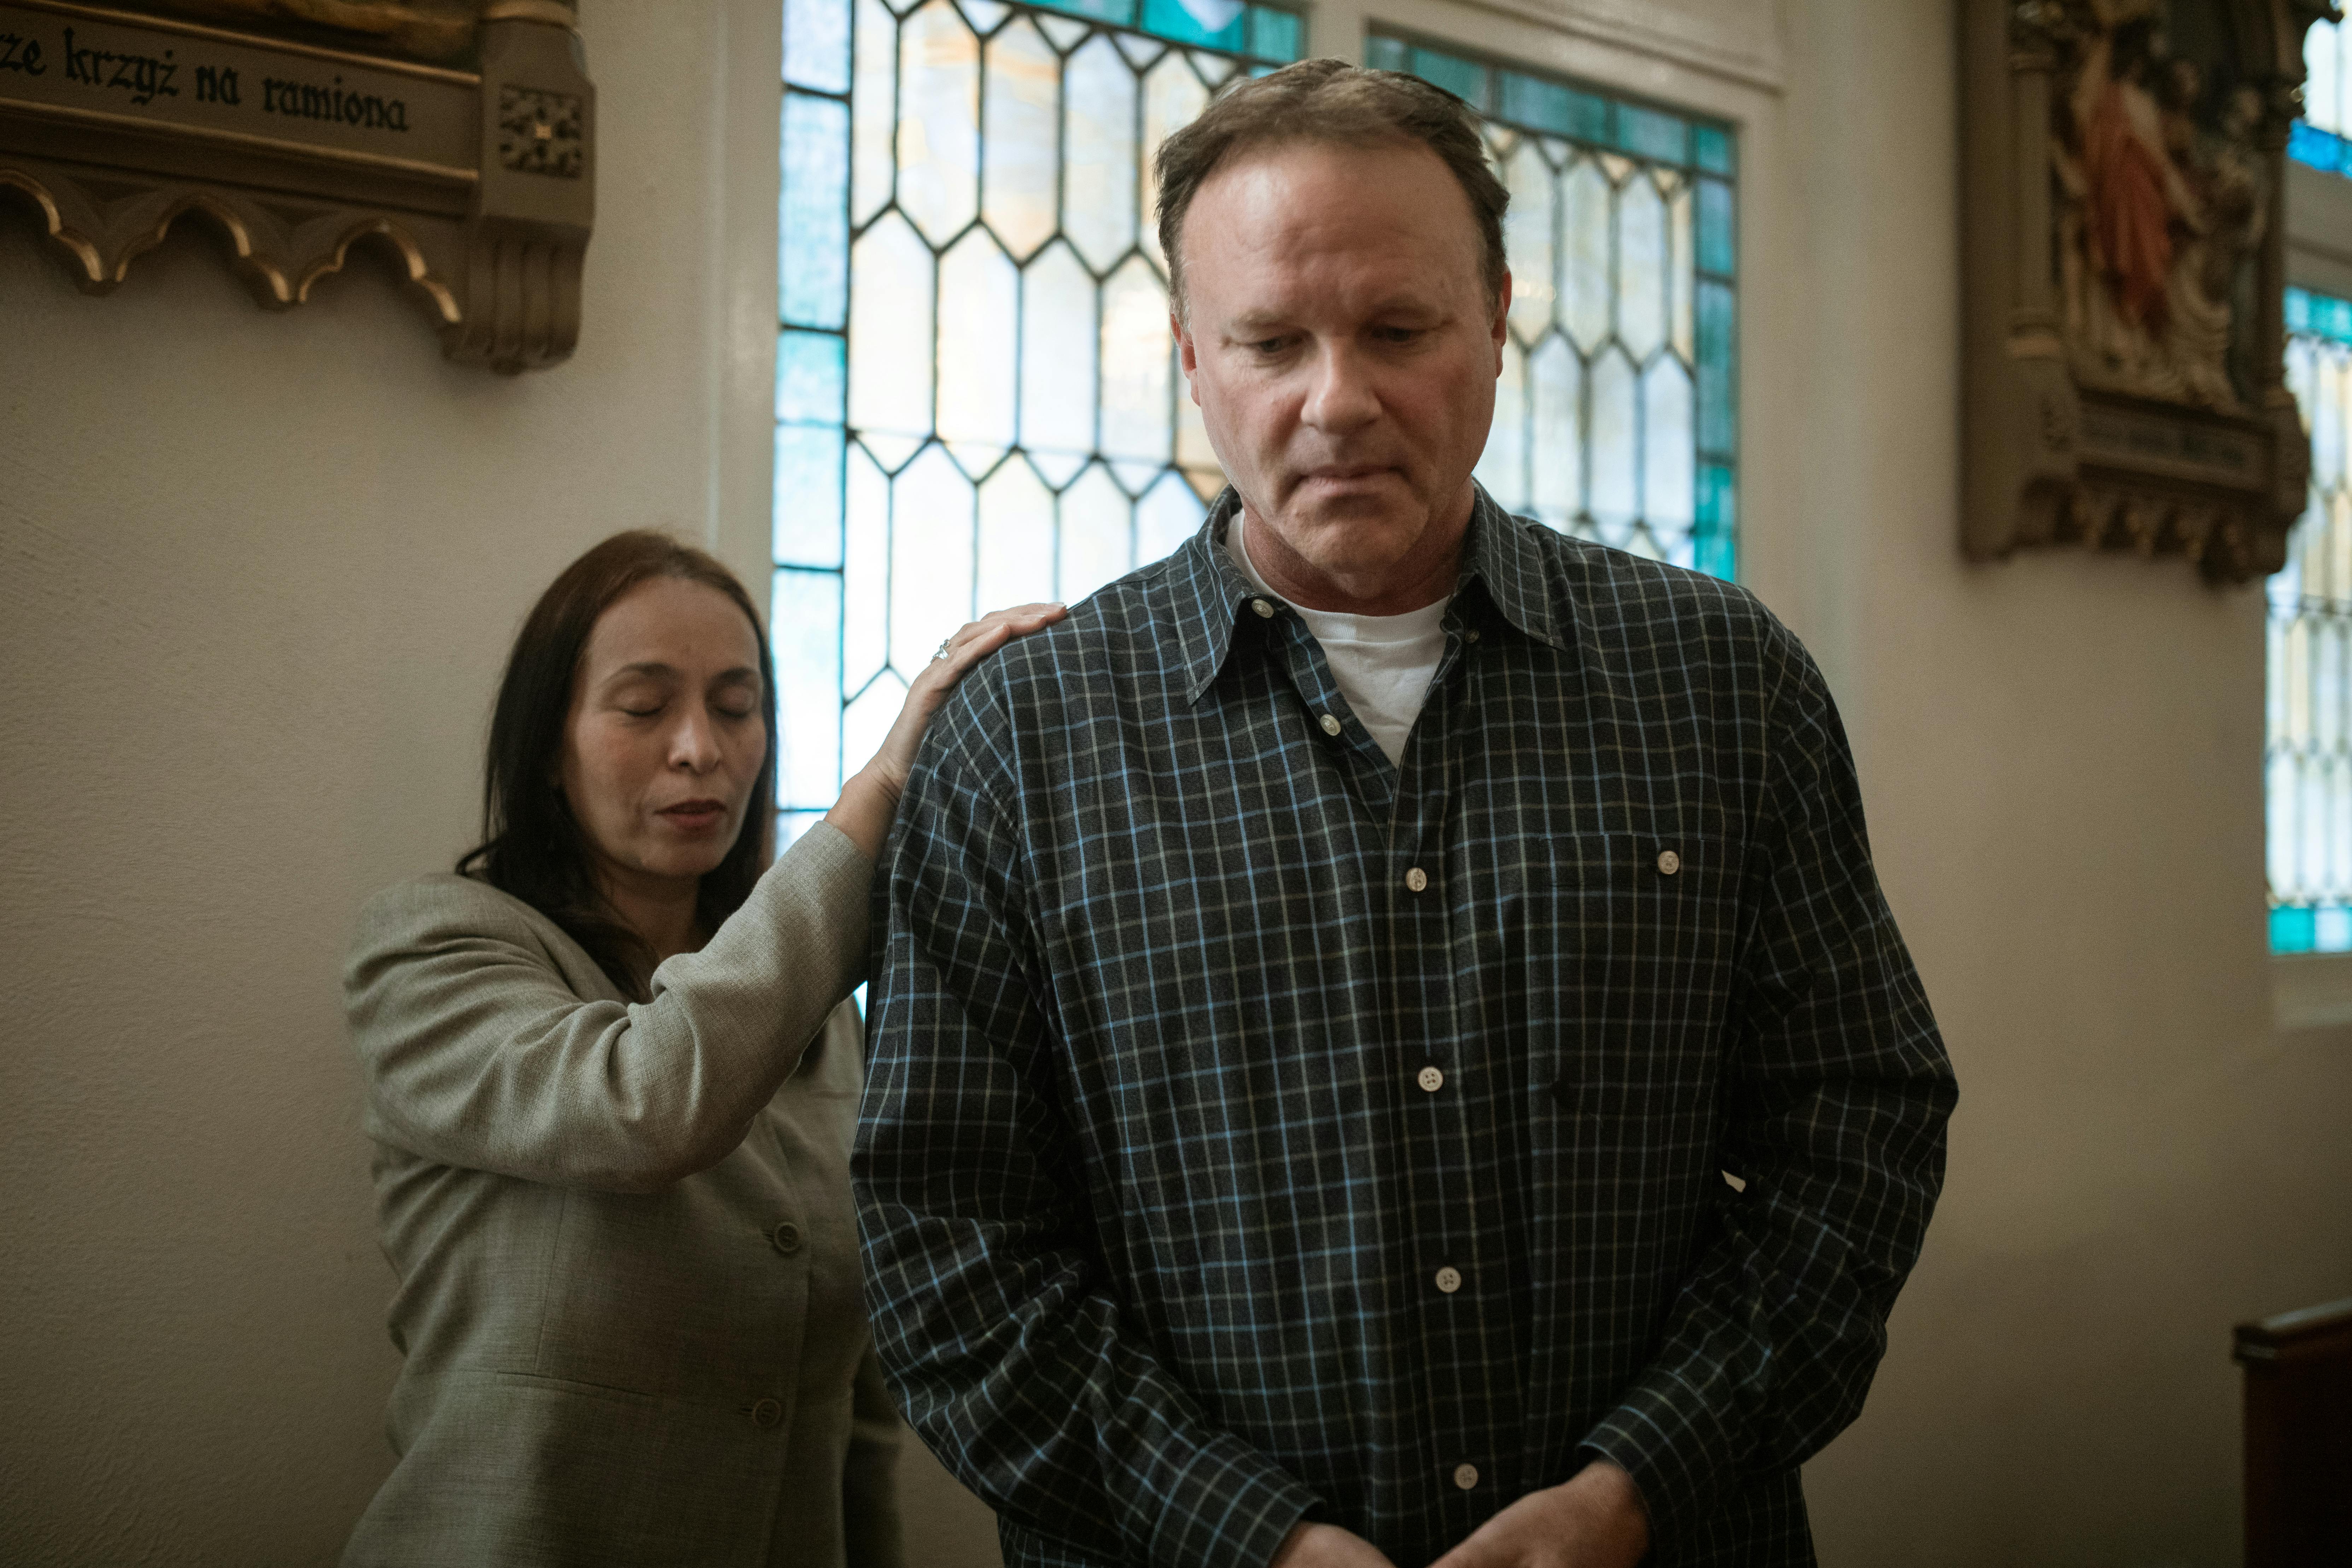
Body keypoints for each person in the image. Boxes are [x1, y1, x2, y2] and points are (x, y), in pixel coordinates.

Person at [855, 60, 1956, 1568]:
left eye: (1397, 329)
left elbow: (1857, 1129)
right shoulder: (1021, 744)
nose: (1337, 399)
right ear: (1191, 357)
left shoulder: (1722, 686)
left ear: (1496, 320)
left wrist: (1635, 1483)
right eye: (1268, 340)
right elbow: (947, 1247)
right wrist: (1255, 1538)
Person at [341, 530, 1061, 1566]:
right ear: (549, 742)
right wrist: (882, 791)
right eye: (644, 706)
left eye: (736, 706)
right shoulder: (432, 945)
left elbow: (854, 1417)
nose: (700, 749)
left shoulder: (819, 1016)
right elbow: (642, 1103)